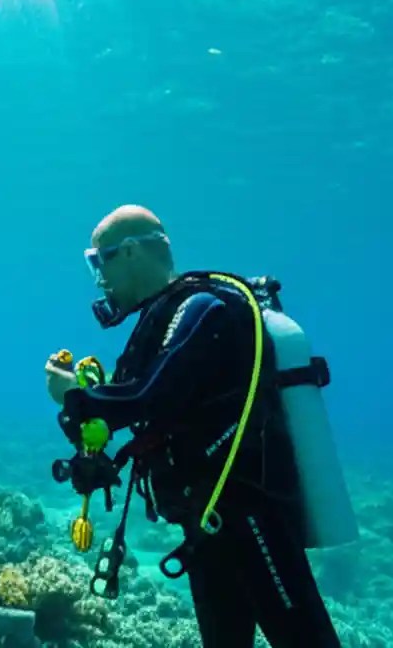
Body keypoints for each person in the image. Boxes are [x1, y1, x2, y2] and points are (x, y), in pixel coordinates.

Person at [44, 204, 357, 648]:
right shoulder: (164, 319)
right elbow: (148, 409)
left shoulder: (202, 308)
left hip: (248, 516)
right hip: (206, 522)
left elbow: (146, 397)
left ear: (131, 251)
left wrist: (72, 395)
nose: (100, 279)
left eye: (102, 260)